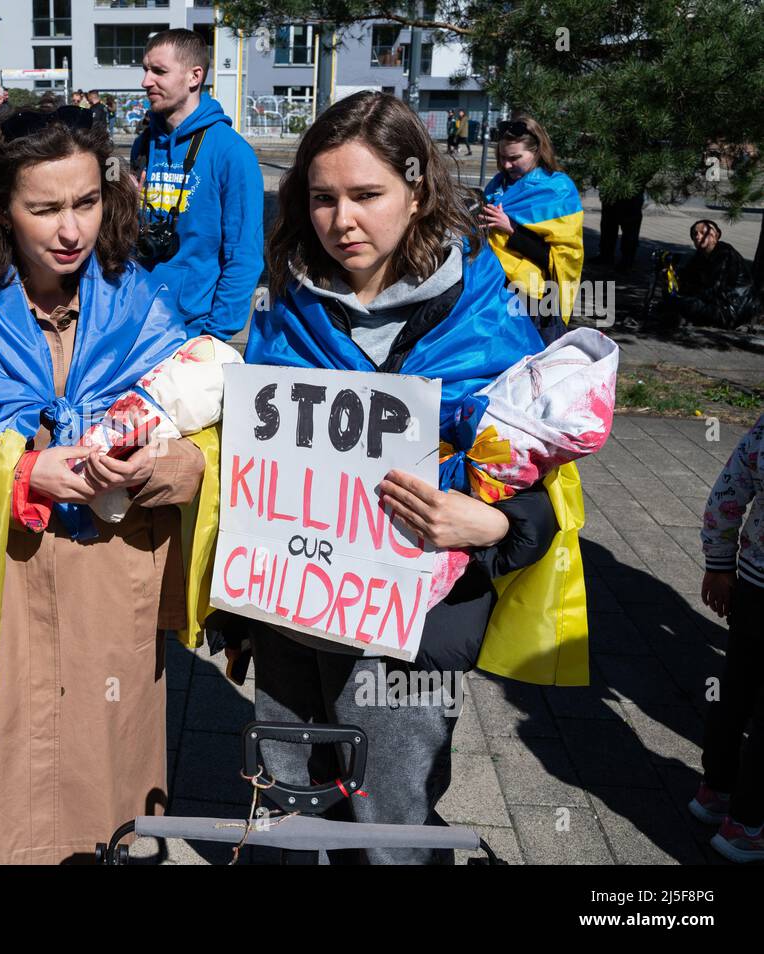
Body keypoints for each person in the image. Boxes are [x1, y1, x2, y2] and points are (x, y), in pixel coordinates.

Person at [244, 91, 568, 864]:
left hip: (413, 631)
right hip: (292, 609)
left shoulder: (492, 316)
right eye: (322, 198)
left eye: (366, 195)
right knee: (287, 797)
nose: (341, 220)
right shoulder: (281, 303)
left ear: (417, 191)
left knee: (393, 811)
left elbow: (534, 471)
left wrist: (493, 526)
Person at [0, 106, 216, 864]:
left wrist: (152, 470)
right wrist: (17, 471)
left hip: (109, 591)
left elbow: (207, 445)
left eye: (86, 202)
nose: (70, 229)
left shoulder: (144, 304)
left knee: (104, 794)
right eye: (43, 208)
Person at [133, 28, 264, 339]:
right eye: (145, 70)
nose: (145, 81)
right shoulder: (143, 144)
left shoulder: (231, 153)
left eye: (159, 71)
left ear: (194, 76)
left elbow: (244, 254)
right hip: (138, 323)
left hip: (194, 332)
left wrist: (214, 337)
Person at [697, 412, 764, 863]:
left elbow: (729, 489)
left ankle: (716, 791)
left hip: (754, 586)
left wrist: (720, 563)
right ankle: (747, 824)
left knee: (736, 690)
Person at [480, 115, 584, 345]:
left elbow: (556, 258)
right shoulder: (498, 184)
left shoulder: (557, 190)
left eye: (515, 158)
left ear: (537, 152)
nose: (507, 165)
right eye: (503, 158)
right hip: (493, 289)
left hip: (534, 301)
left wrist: (510, 229)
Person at [654, 219, 759, 331]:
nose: (698, 236)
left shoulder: (725, 255)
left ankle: (682, 318)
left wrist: (685, 292)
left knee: (679, 301)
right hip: (719, 304)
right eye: (695, 234)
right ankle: (681, 316)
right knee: (671, 296)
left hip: (731, 310)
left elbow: (714, 290)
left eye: (704, 233)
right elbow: (687, 275)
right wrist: (672, 275)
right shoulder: (701, 254)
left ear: (716, 236)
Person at [593, 187, 644, 272]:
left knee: (630, 228)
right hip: (611, 193)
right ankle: (605, 255)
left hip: (631, 193)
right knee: (607, 225)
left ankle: (627, 261)